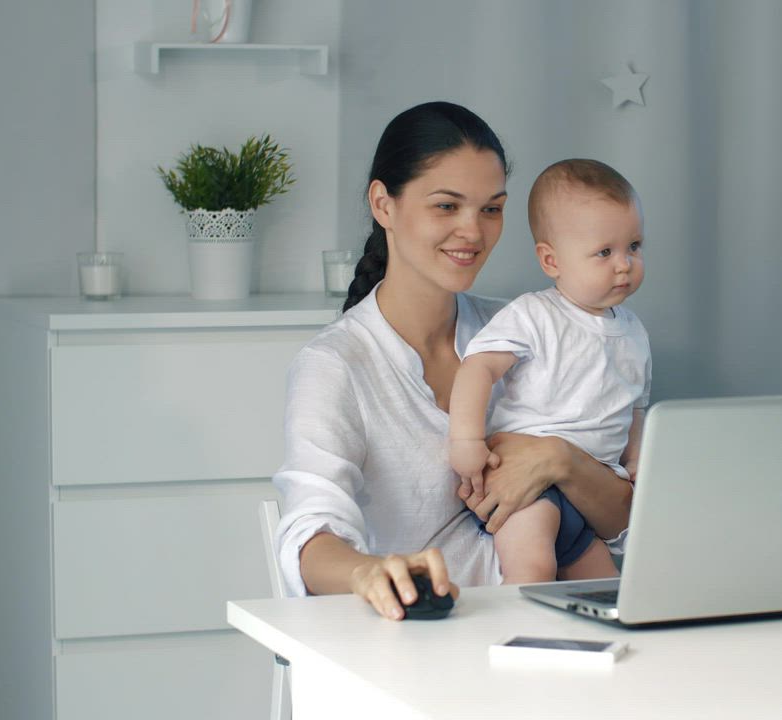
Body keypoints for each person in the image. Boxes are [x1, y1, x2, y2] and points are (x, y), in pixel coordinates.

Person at [272, 102, 633, 620]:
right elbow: (311, 533)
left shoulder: (530, 329)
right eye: (447, 206)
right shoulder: (336, 364)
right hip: (429, 647)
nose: (474, 231)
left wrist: (559, 458)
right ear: (384, 204)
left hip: (556, 635)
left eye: (491, 208)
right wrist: (366, 571)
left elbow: (620, 517)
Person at [448, 159, 649, 584]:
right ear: (552, 260)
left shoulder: (633, 333)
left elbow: (635, 407)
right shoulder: (535, 314)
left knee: (605, 588)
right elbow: (478, 368)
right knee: (533, 571)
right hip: (527, 490)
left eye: (633, 246)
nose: (624, 265)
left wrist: (635, 456)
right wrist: (465, 440)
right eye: (604, 252)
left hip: (590, 490)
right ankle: (521, 644)